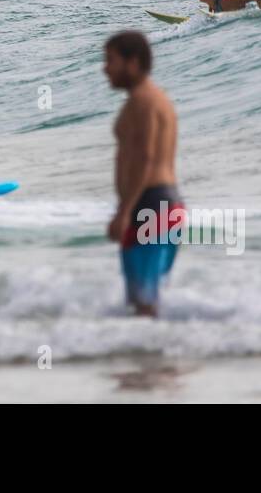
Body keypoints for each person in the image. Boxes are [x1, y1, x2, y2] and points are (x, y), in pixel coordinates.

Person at [103, 31, 185, 318]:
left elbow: (145, 158)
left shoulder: (143, 101)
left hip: (149, 206)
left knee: (144, 304)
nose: (105, 68)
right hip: (165, 205)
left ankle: (153, 361)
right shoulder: (157, 98)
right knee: (147, 300)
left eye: (111, 60)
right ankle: (154, 359)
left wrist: (124, 211)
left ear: (133, 62)